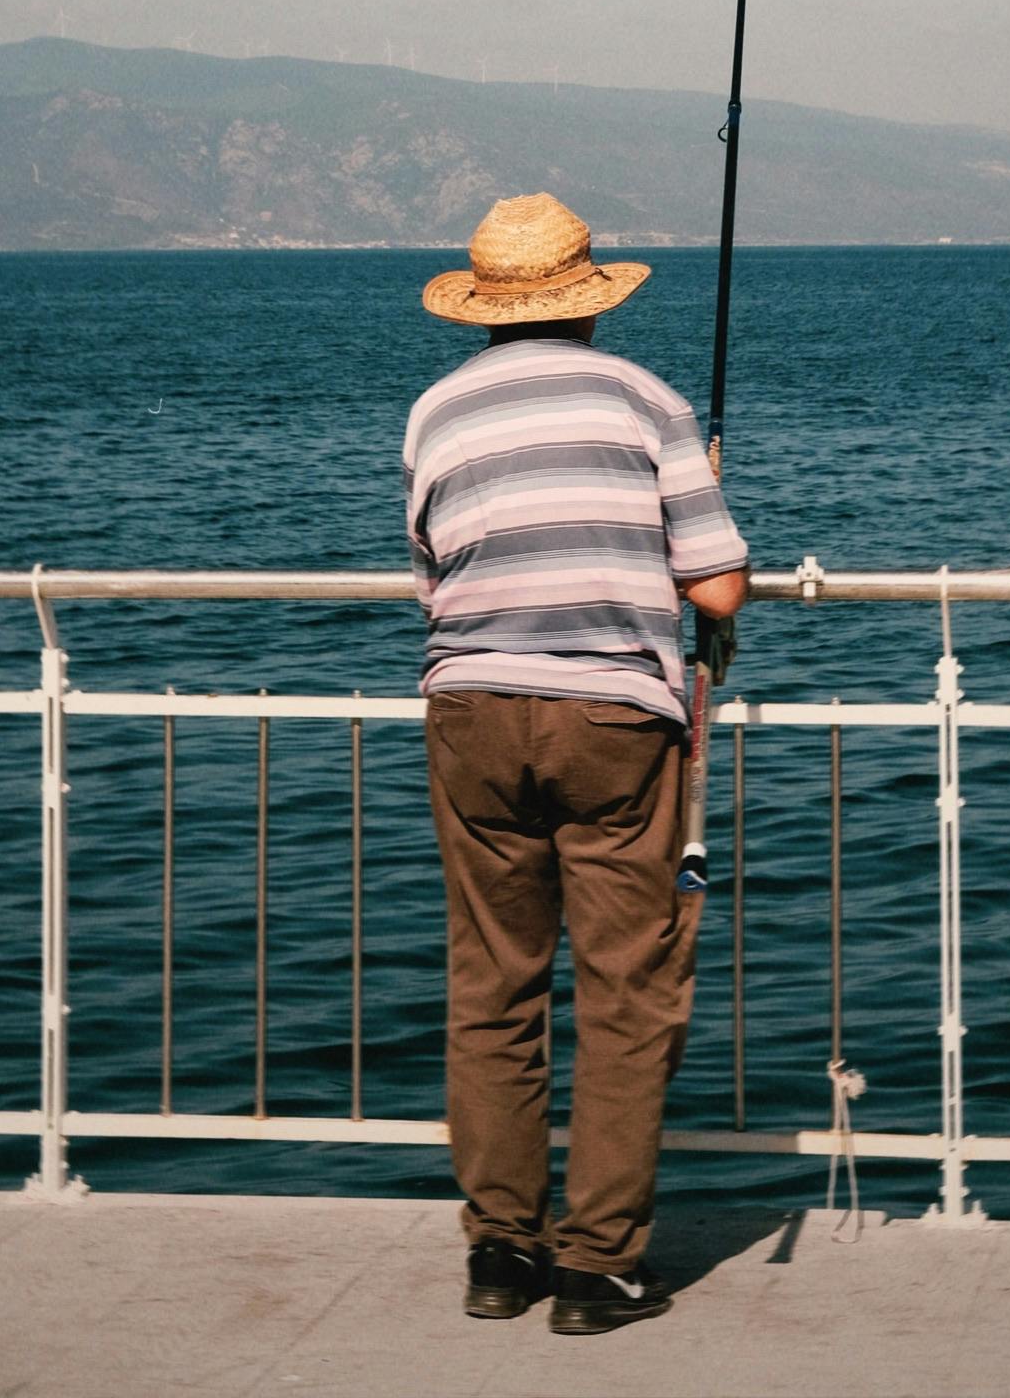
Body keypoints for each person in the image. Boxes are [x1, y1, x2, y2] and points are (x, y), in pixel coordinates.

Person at [404, 190, 749, 1336]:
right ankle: (596, 1268)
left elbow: (434, 578)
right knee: (624, 989)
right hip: (610, 723)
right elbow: (716, 588)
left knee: (493, 982)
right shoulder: (643, 400)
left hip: (471, 712)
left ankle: (499, 1252)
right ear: (590, 302)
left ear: (485, 312)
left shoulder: (435, 412)